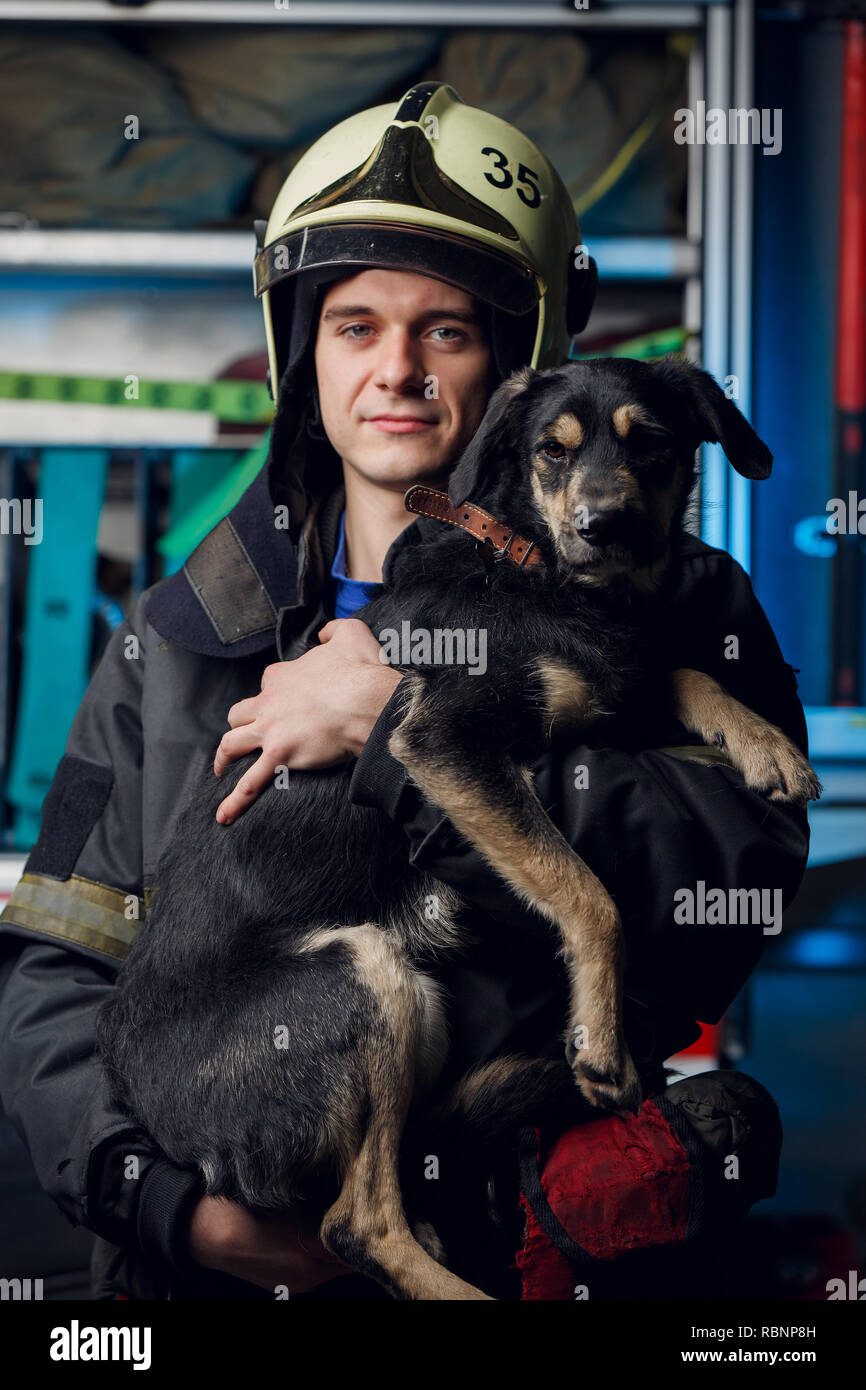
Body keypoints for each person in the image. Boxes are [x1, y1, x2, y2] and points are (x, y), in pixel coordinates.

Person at [0, 83, 810, 1301]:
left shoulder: (691, 608)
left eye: (446, 332)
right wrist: (168, 1207)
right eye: (354, 326)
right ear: (299, 355)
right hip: (207, 1272)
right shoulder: (181, 634)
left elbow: (724, 893)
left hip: (523, 1242)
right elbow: (57, 972)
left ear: (521, 366)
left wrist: (388, 729)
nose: (398, 372)